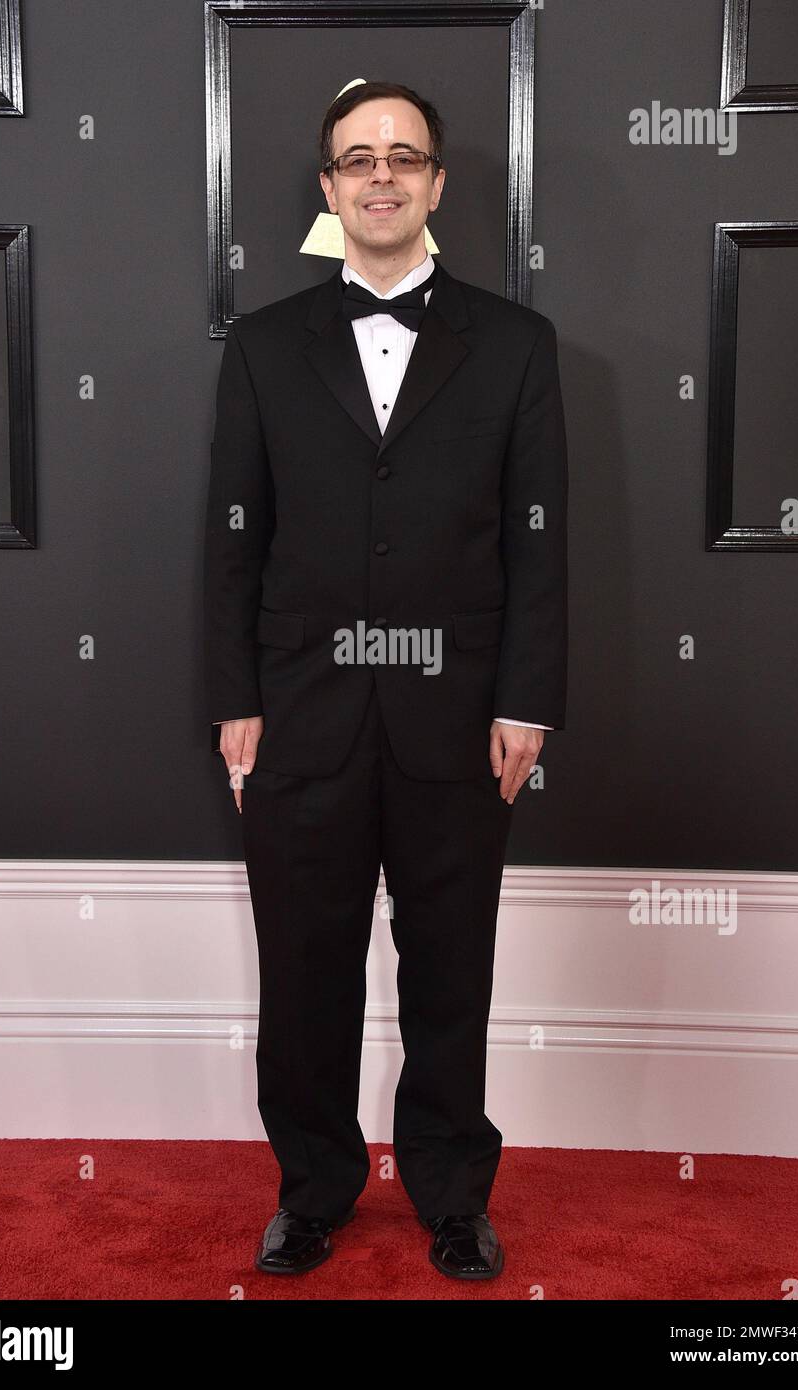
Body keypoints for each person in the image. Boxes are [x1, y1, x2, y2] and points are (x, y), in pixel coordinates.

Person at [204, 80, 568, 1281]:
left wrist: (526, 699)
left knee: (452, 967)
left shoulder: (517, 344)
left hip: (459, 722)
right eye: (359, 157)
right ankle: (312, 1189)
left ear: (437, 185)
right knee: (304, 968)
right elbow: (231, 543)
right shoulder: (260, 347)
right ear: (328, 186)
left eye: (404, 157)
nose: (381, 175)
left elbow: (539, 542)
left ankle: (453, 1194)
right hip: (300, 718)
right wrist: (237, 703)